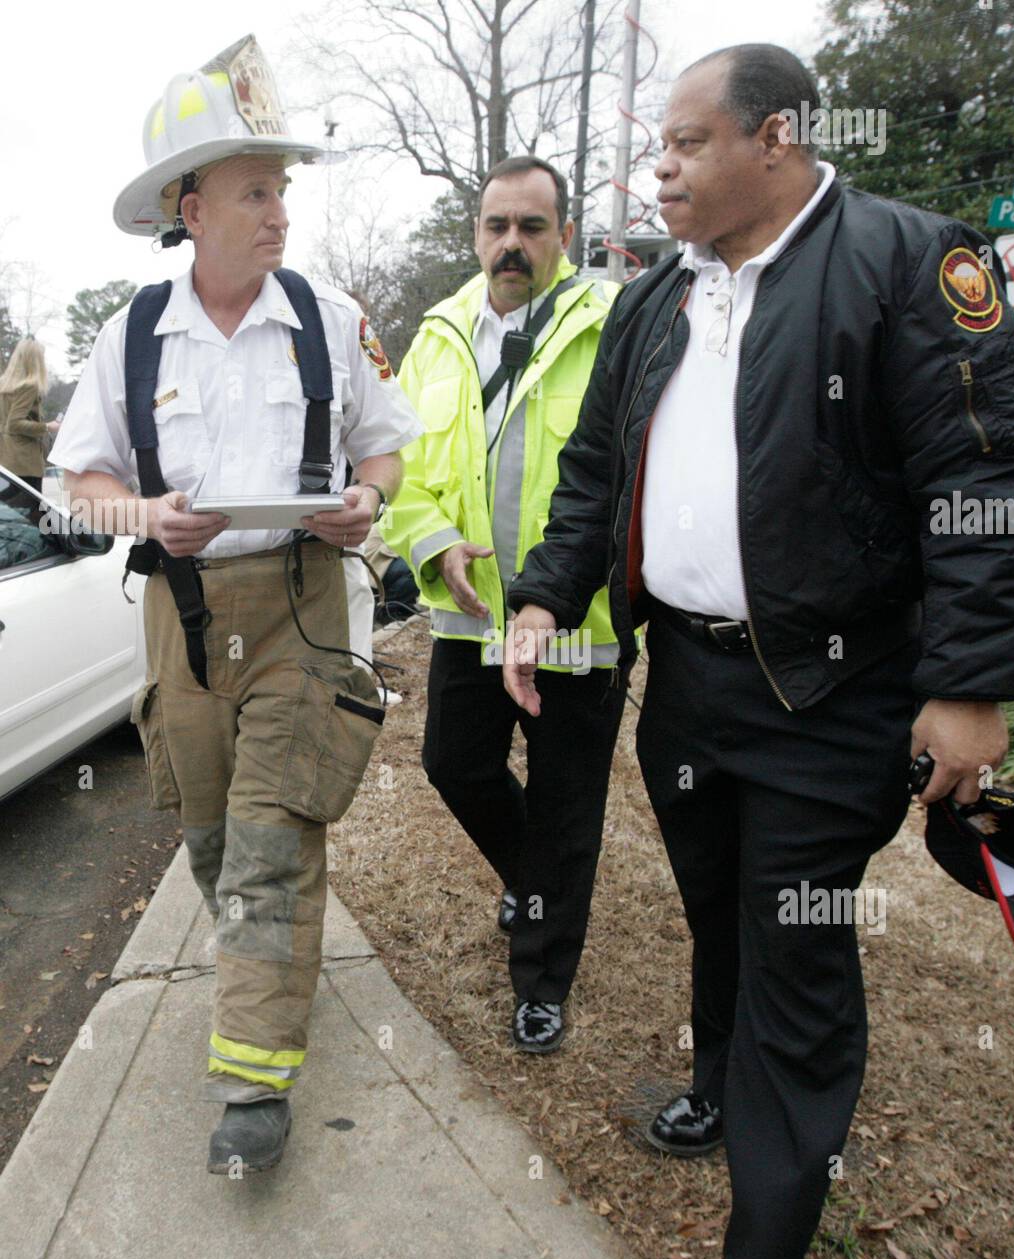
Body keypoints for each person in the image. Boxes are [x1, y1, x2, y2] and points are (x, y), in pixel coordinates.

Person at [505, 44, 1014, 1259]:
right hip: (690, 690)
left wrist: (967, 685)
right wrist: (542, 596)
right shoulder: (654, 299)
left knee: (795, 949)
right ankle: (715, 1087)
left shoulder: (909, 260)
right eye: (658, 147)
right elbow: (596, 470)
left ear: (778, 139)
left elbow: (981, 478)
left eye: (686, 143)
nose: (661, 167)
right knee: (719, 916)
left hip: (830, 694)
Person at [51, 34, 422, 1175]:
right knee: (214, 841)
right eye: (255, 190)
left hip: (306, 608)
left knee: (271, 840)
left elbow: (387, 454)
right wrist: (145, 516)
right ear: (190, 204)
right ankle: (264, 968)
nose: (278, 212)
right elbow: (80, 487)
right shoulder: (128, 336)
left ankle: (254, 1081)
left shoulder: (331, 316)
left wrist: (363, 500)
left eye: (282, 189)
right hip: (186, 616)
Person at [381, 156, 629, 1055]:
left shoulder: (611, 325)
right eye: (496, 227)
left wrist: (570, 596)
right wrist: (434, 544)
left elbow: (618, 480)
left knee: (566, 803)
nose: (511, 244)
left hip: (576, 624)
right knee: (456, 764)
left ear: (563, 234)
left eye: (532, 226)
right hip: (473, 616)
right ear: (476, 235)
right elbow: (400, 471)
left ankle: (541, 976)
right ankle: (543, 890)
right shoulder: (439, 333)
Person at [0, 338, 60, 503]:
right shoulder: (30, 386)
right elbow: (15, 423)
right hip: (25, 463)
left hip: (6, 460)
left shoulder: (4, 386)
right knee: (32, 515)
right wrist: (48, 426)